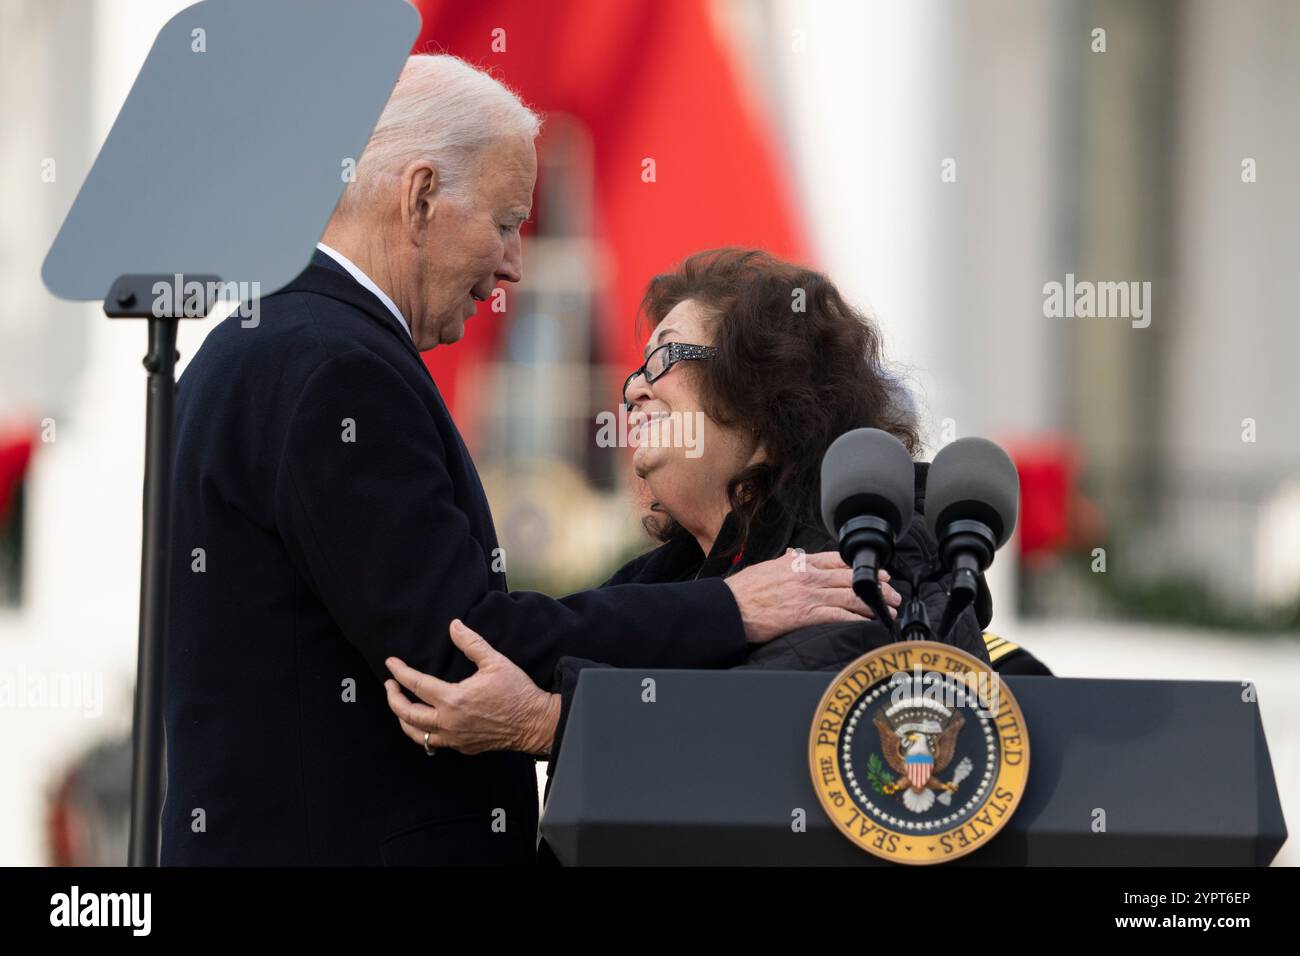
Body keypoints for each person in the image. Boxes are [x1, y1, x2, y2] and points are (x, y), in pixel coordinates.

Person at [162, 59, 883, 867]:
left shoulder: (273, 342)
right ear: (421, 196)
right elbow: (458, 645)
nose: (513, 265)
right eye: (507, 222)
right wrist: (730, 608)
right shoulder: (335, 366)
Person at [383, 249, 1052, 777]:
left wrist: (550, 724)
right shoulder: (670, 577)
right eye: (636, 369)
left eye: (665, 358)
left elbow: (789, 731)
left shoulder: (862, 544)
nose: (635, 388)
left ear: (762, 392)